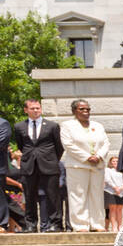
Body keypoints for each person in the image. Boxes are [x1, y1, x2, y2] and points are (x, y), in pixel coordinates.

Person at [11, 99, 64, 231]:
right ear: (26, 110)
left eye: (38, 108)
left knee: (53, 196)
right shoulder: (19, 126)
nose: (36, 110)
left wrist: (51, 159)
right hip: (29, 165)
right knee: (29, 196)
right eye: (32, 108)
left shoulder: (52, 126)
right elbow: (21, 145)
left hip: (49, 164)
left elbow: (59, 147)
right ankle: (31, 225)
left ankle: (55, 224)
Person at [59, 99, 110, 232]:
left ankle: (97, 224)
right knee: (78, 195)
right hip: (78, 165)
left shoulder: (97, 125)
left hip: (97, 165)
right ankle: (80, 225)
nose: (85, 112)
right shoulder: (67, 125)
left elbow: (106, 143)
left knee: (97, 195)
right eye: (82, 109)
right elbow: (68, 145)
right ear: (74, 111)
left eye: (87, 109)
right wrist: (87, 157)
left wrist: (98, 156)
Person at [104, 156, 123, 231]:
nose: (115, 162)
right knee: (112, 209)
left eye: (117, 161)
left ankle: (120, 226)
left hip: (121, 192)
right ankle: (114, 226)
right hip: (111, 191)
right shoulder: (108, 170)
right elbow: (107, 179)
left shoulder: (122, 171)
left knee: (119, 209)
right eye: (113, 161)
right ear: (110, 162)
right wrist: (115, 187)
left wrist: (121, 188)